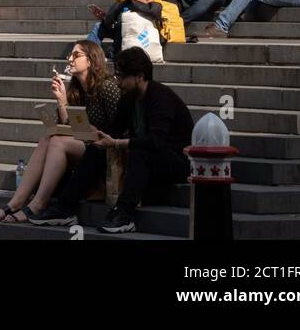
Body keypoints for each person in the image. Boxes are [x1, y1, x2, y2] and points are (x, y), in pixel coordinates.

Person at [28, 46, 193, 233]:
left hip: (176, 159)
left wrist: (116, 143)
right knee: (98, 148)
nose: (118, 81)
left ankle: (124, 213)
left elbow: (156, 141)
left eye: (122, 76)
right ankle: (65, 207)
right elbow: (113, 130)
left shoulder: (160, 97)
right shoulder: (129, 98)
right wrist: (96, 133)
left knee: (140, 152)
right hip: (146, 153)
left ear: (139, 76)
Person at [0, 39, 121, 224]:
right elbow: (69, 125)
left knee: (56, 141)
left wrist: (98, 132)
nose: (70, 59)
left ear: (91, 60)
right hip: (84, 147)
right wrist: (61, 100)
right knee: (47, 140)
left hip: (104, 150)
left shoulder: (107, 87)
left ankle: (38, 204)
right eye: (69, 55)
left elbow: (121, 127)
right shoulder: (76, 89)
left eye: (76, 55)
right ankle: (16, 202)